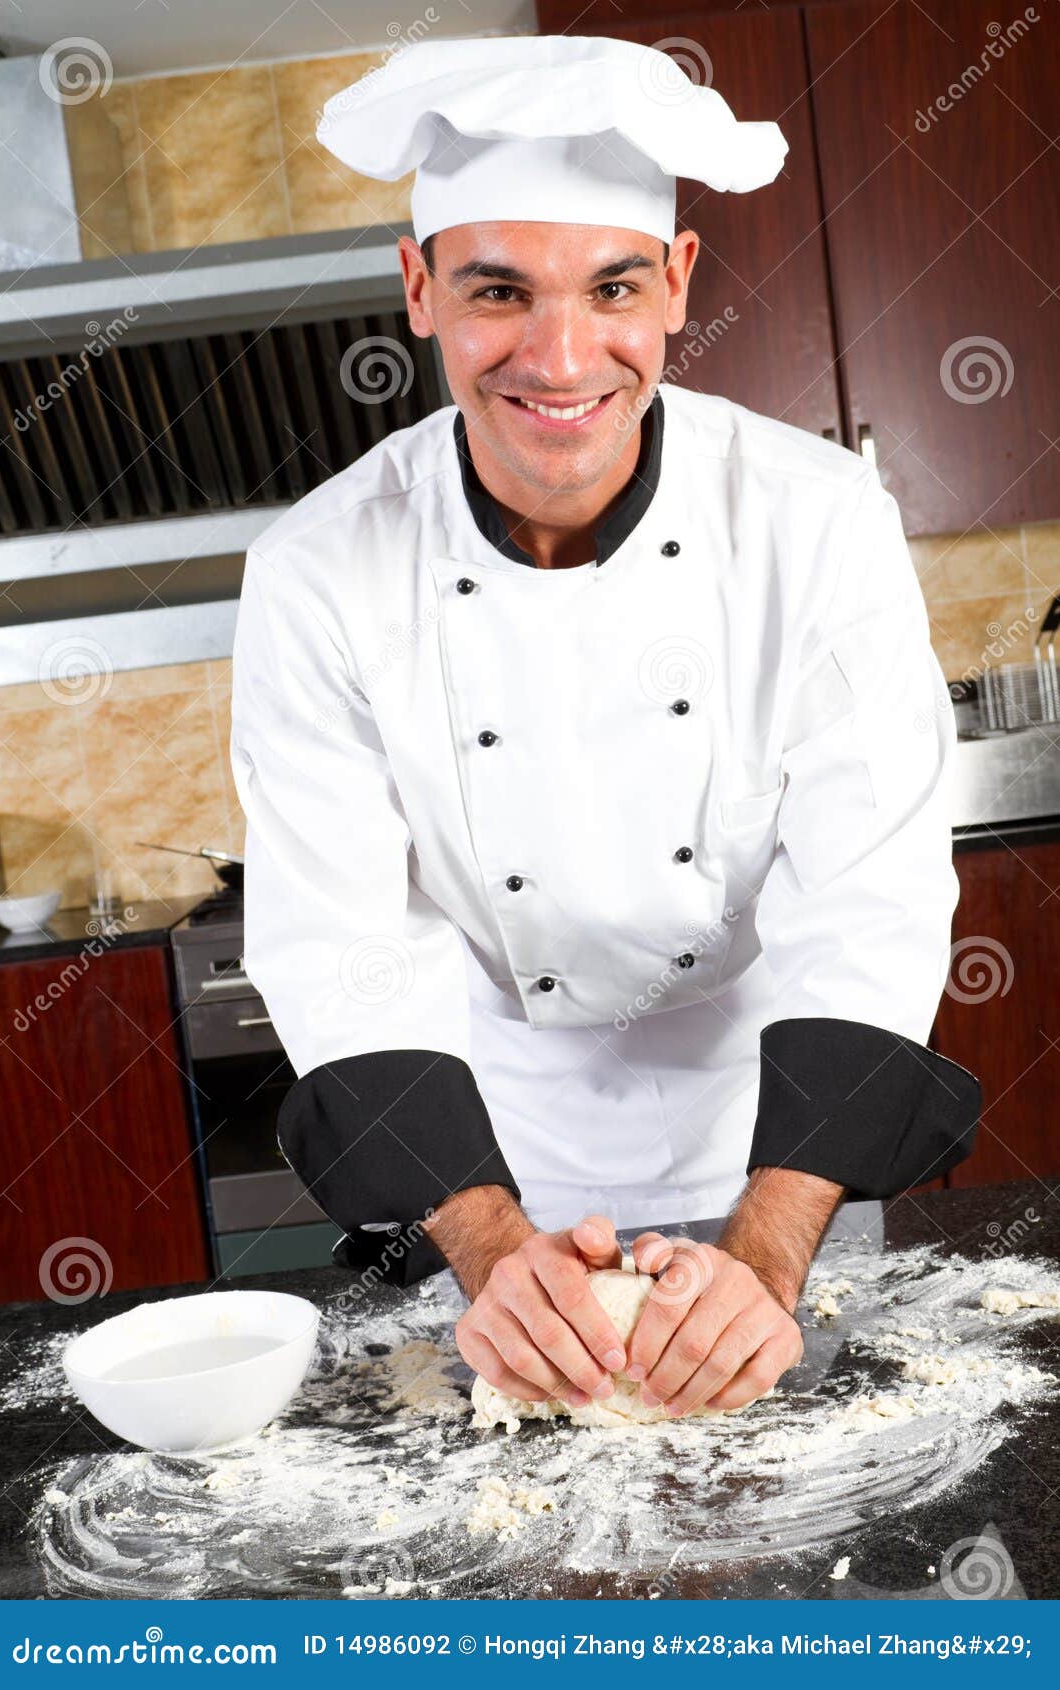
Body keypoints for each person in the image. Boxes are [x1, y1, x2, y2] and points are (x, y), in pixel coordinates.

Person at [230, 34, 980, 1419]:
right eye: (498, 290)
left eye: (615, 287)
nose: (560, 358)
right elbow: (342, 946)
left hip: (775, 1126)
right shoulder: (319, 567)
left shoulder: (813, 522)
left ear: (677, 283)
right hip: (483, 1145)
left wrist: (764, 1254)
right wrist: (497, 1253)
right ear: (419, 291)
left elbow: (867, 902)